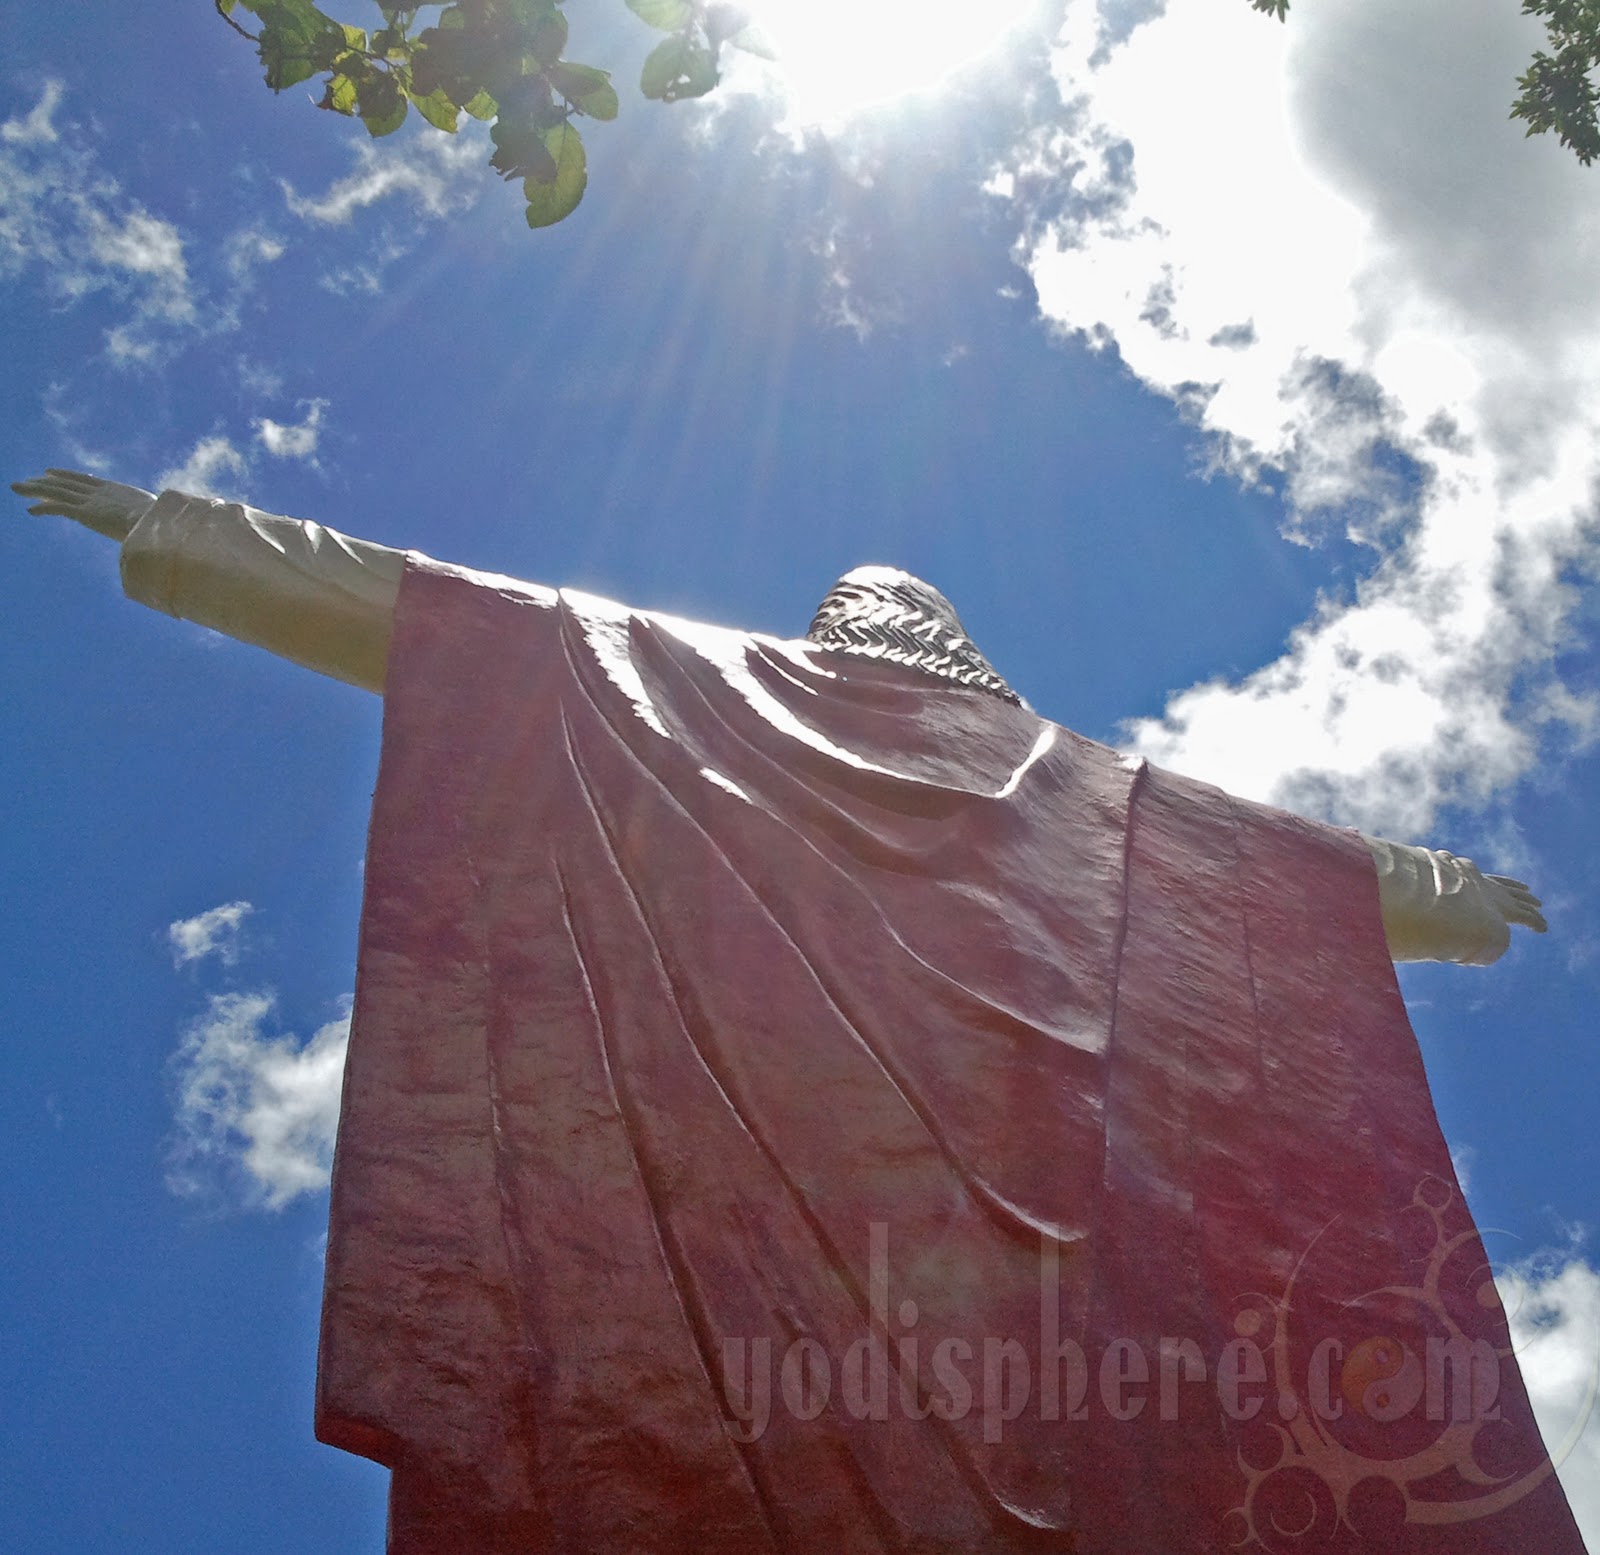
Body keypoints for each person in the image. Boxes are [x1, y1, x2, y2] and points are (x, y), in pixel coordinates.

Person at [12, 469, 1578, 1554]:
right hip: (840, 1216)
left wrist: (182, 533)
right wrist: (1446, 895)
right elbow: (1311, 874)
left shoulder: (696, 690)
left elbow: (434, 616)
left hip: (972, 1242)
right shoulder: (1104, 800)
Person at [11, 467, 1549, 966]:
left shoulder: (1075, 801)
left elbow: (1293, 875)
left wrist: (1456, 900)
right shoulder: (720, 700)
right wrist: (178, 532)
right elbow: (430, 619)